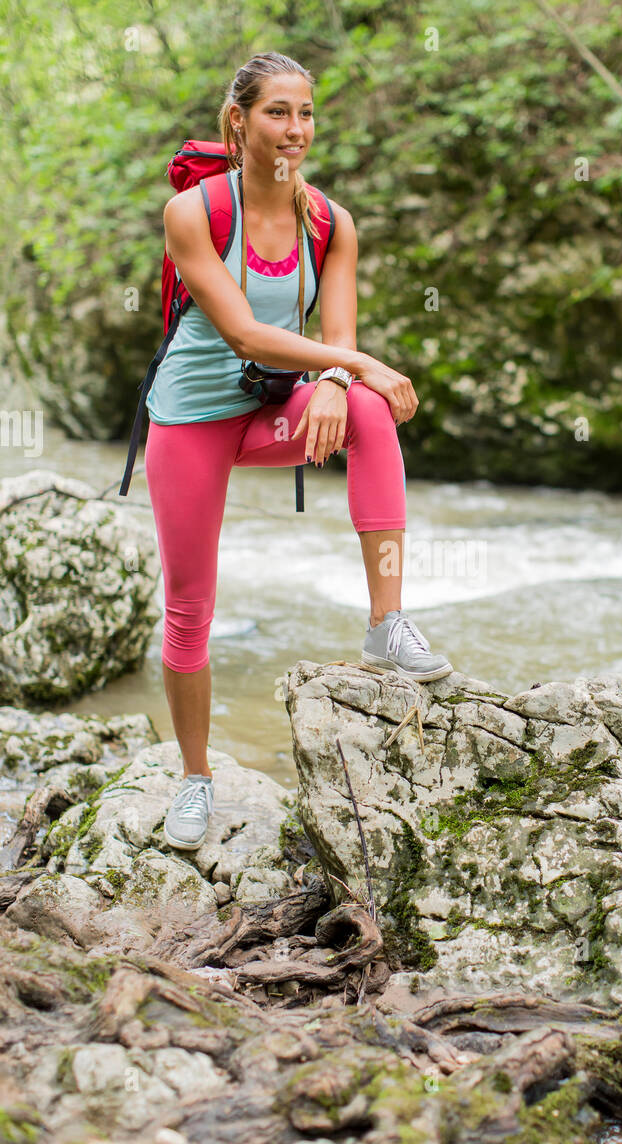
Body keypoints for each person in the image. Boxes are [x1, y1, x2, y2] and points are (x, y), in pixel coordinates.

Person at [144, 50, 453, 851]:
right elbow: (244, 330)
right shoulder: (194, 213)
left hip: (273, 408)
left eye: (306, 113)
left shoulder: (330, 223)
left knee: (373, 412)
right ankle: (195, 777)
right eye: (278, 112)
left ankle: (386, 622)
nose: (296, 129)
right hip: (191, 422)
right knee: (188, 610)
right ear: (238, 121)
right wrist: (349, 366)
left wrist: (341, 382)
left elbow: (337, 338)